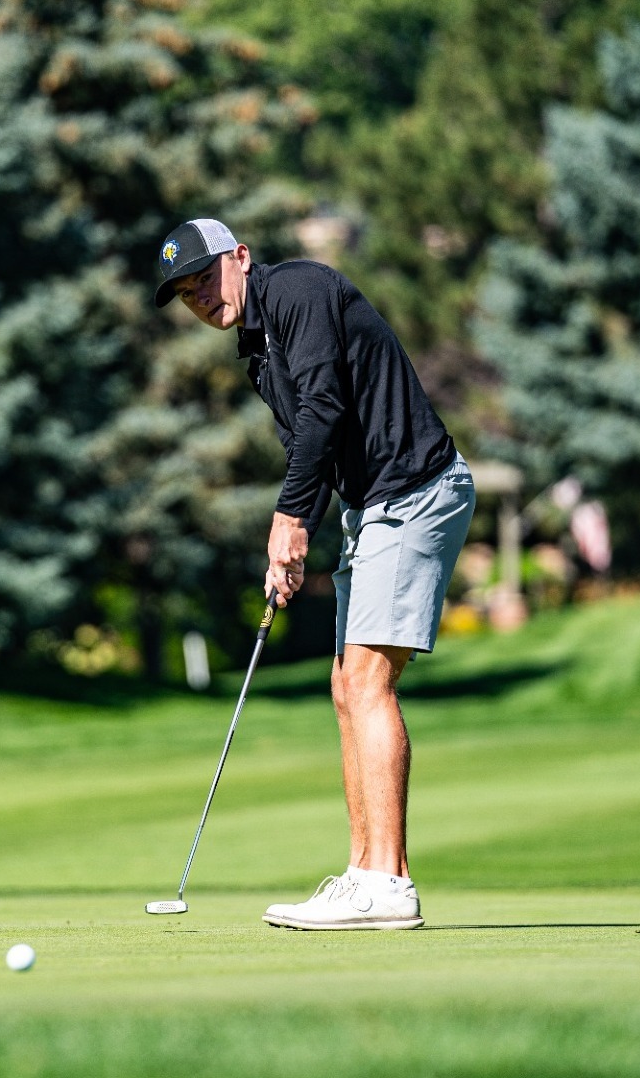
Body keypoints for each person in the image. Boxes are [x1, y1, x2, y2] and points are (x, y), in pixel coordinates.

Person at [154, 218, 475, 930]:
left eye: (206, 278)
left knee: (366, 682)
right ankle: (364, 873)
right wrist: (292, 549)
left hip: (415, 493)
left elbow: (325, 407)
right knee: (344, 687)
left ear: (241, 257)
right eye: (186, 294)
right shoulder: (260, 354)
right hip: (372, 509)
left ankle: (389, 883)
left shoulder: (298, 290)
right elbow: (317, 449)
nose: (201, 298)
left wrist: (290, 518)